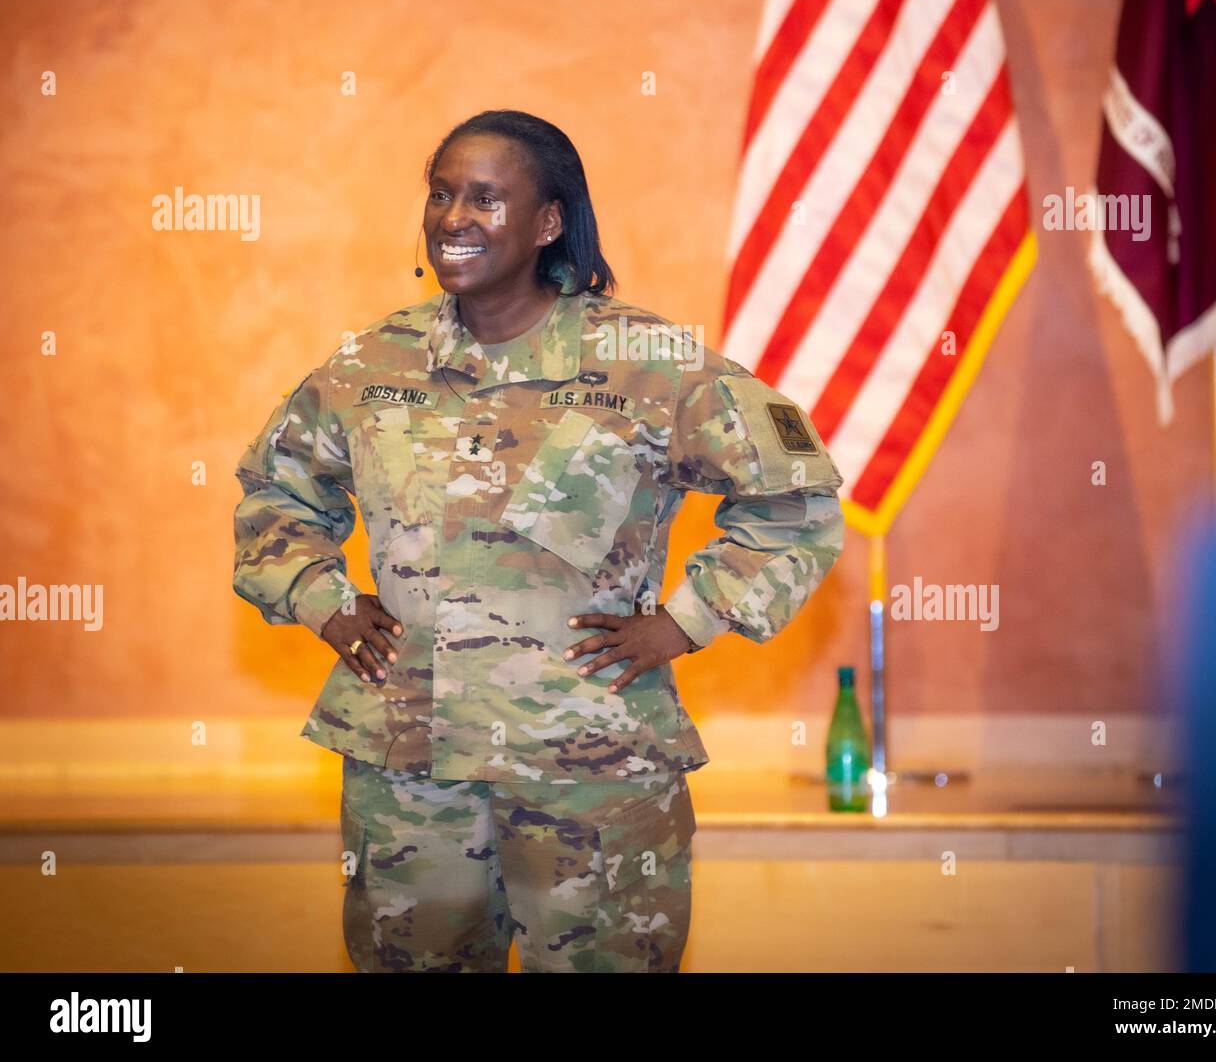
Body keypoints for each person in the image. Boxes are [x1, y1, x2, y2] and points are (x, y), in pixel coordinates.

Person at [232, 109, 846, 972]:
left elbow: (799, 500)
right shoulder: (369, 366)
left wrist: (686, 622)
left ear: (547, 222)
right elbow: (275, 493)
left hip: (593, 769)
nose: (454, 217)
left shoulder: (650, 363)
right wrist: (323, 603)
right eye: (442, 194)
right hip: (412, 771)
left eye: (486, 197)